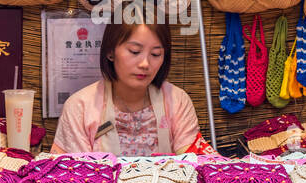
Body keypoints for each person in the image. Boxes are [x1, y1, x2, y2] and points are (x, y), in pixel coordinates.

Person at [51, 22, 200, 156]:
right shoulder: (79, 107)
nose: (145, 64)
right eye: (135, 51)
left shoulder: (177, 100)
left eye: (156, 54)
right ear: (110, 51)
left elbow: (192, 161)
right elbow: (77, 175)